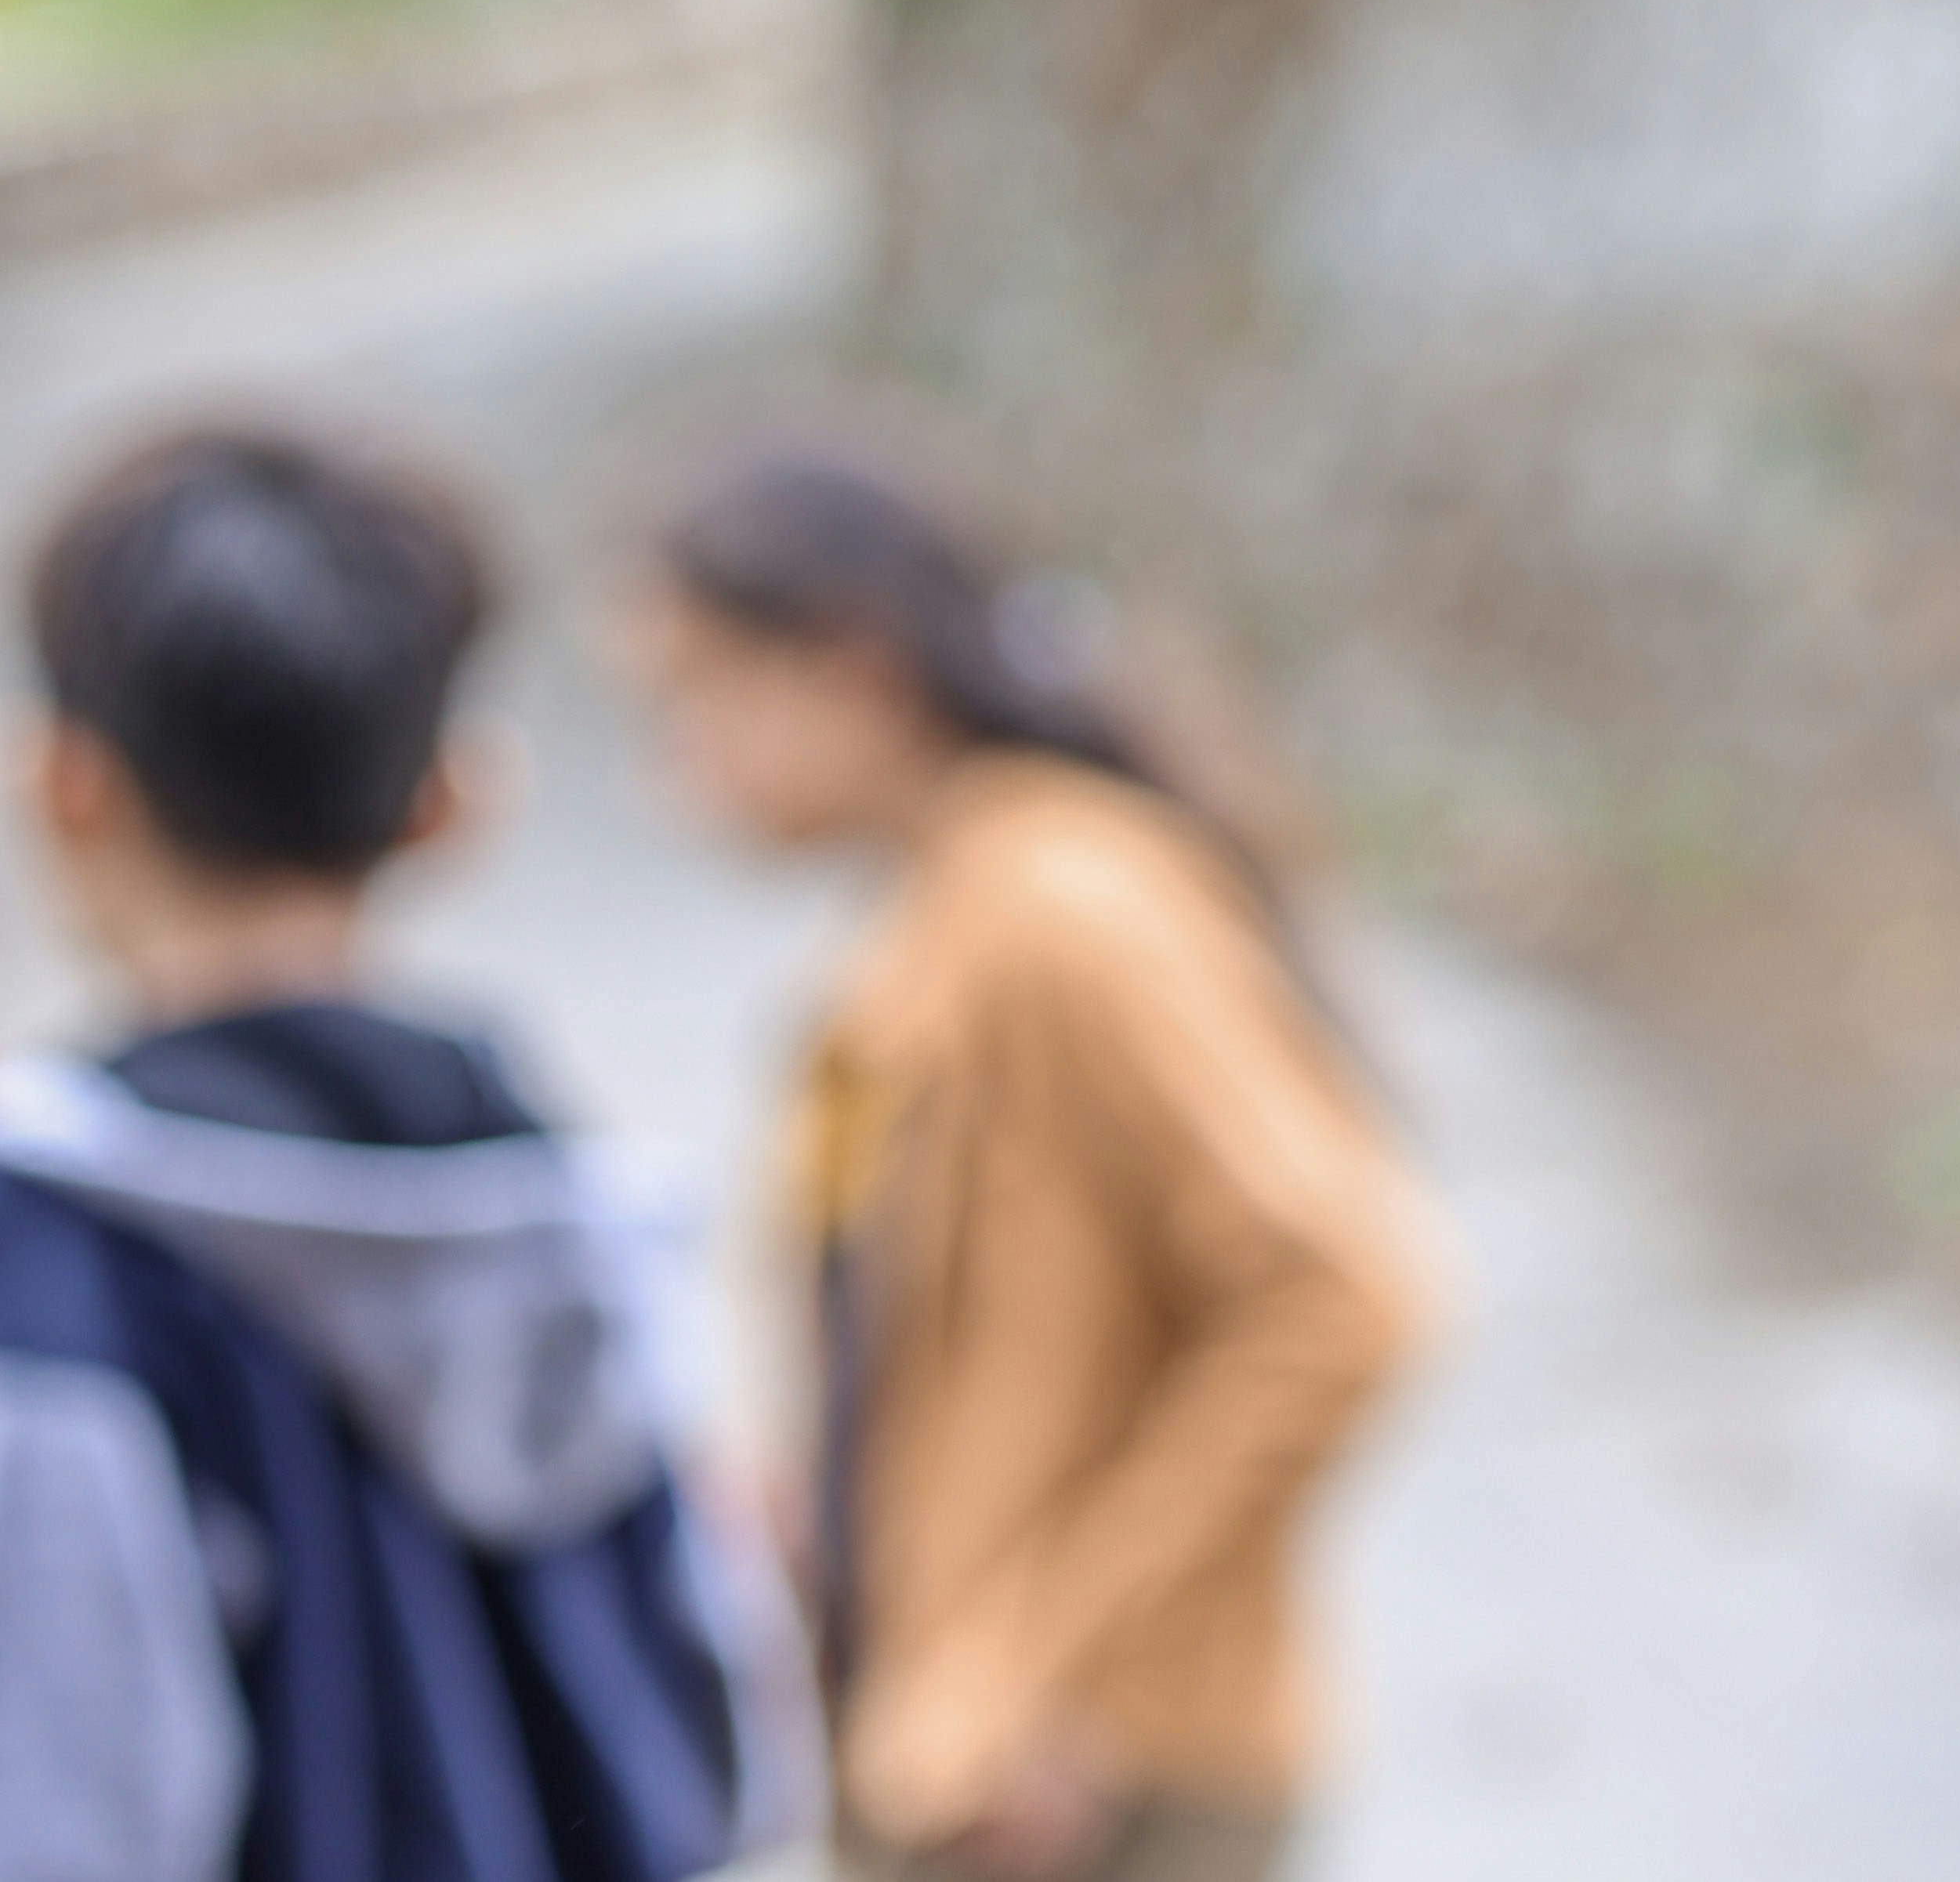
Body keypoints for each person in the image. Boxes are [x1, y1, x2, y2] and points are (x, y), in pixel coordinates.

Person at [0, 427, 799, 1882]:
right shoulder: (571, 1203)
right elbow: (729, 1736)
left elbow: (68, 1817)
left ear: (64, 783)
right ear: (451, 800)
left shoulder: (51, 1264)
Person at [625, 451, 1433, 1882]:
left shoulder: (1060, 902)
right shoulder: (938, 914)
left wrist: (1040, 1663)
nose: (673, 757)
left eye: (698, 692)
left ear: (856, 669)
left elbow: (1339, 1292)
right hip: (959, 1753)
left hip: (1093, 1780)